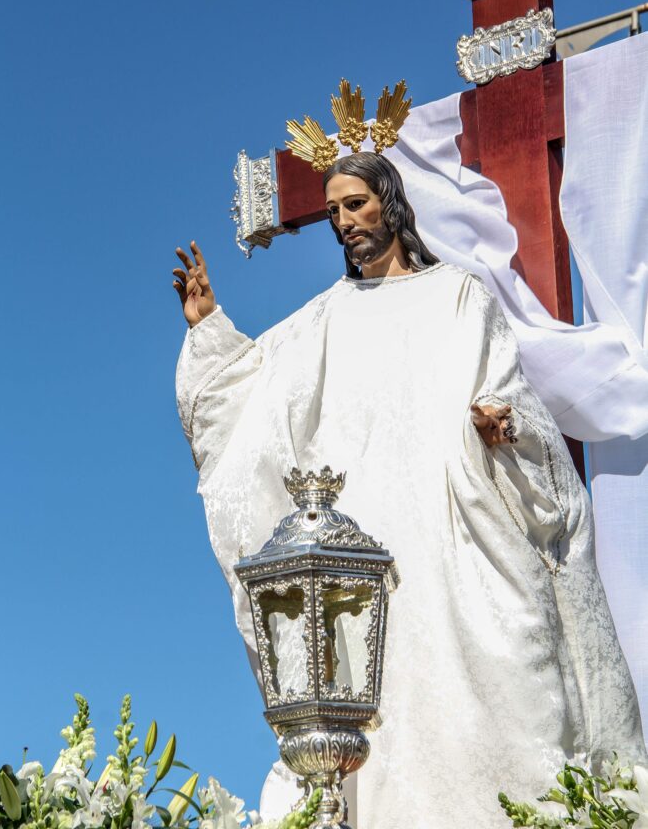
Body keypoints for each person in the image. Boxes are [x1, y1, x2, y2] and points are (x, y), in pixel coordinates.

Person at [173, 152, 644, 829]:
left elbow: (505, 398)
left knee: (506, 684)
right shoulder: (320, 321)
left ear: (390, 203)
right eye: (333, 210)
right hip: (362, 560)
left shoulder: (457, 295)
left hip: (459, 533)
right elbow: (250, 400)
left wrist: (500, 427)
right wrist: (209, 331)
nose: (343, 221)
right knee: (381, 713)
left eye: (356, 203)